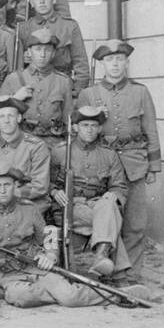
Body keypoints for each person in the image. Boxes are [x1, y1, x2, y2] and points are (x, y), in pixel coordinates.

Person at [0, 163, 107, 308]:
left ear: (15, 186)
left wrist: (51, 255)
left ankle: (122, 295)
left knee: (71, 299)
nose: (2, 190)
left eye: (7, 185)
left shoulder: (29, 208)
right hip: (5, 276)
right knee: (21, 297)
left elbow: (49, 234)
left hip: (36, 269)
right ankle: (60, 292)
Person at [78, 39, 161, 269]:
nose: (115, 64)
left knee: (134, 224)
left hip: (134, 164)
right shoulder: (88, 94)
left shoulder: (140, 92)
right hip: (102, 165)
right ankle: (108, 269)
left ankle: (131, 275)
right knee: (108, 220)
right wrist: (96, 116)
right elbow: (82, 132)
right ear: (103, 63)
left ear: (126, 62)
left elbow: (150, 129)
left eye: (120, 59)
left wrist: (153, 167)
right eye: (109, 60)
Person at [49, 106, 132, 279]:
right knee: (110, 219)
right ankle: (119, 274)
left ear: (100, 128)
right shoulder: (60, 152)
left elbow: (119, 186)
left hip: (97, 204)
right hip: (69, 207)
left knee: (108, 206)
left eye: (93, 125)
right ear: (75, 127)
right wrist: (54, 191)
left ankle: (101, 258)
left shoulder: (109, 155)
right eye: (84, 125)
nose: (89, 129)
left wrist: (113, 195)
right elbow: (45, 181)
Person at [0, 27, 74, 147]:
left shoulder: (63, 81)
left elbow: (68, 119)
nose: (42, 54)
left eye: (48, 50)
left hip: (53, 142)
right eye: (38, 49)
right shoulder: (13, 79)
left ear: (54, 53)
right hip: (21, 143)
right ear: (29, 52)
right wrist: (15, 99)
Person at [0, 94, 52, 214]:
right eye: (2, 116)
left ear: (19, 118)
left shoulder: (36, 146)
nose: (6, 120)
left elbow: (40, 185)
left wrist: (12, 194)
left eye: (10, 116)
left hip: (28, 201)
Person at [17, 0, 91, 96]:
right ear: (31, 2)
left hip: (62, 86)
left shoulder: (69, 26)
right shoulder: (23, 28)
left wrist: (77, 91)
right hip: (32, 87)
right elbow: (17, 66)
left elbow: (80, 62)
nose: (41, 1)